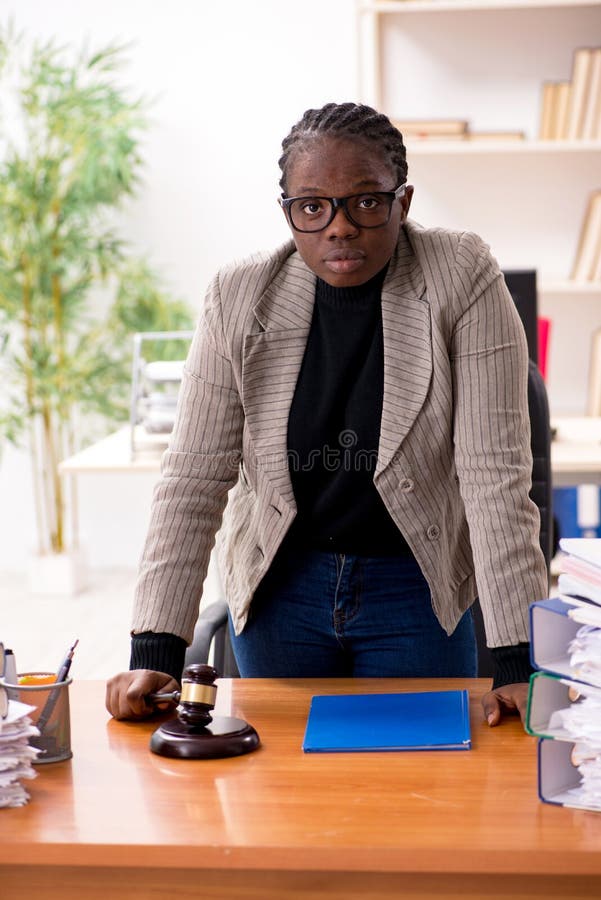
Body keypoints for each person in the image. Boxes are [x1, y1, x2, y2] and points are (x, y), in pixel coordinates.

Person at [106, 102, 548, 726]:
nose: (338, 227)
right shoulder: (239, 295)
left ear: (403, 202)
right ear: (288, 211)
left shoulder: (461, 276)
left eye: (366, 201)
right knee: (283, 799)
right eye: (312, 207)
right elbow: (193, 479)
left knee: (422, 793)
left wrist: (519, 662)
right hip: (282, 585)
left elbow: (493, 475)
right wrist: (155, 648)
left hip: (415, 588)